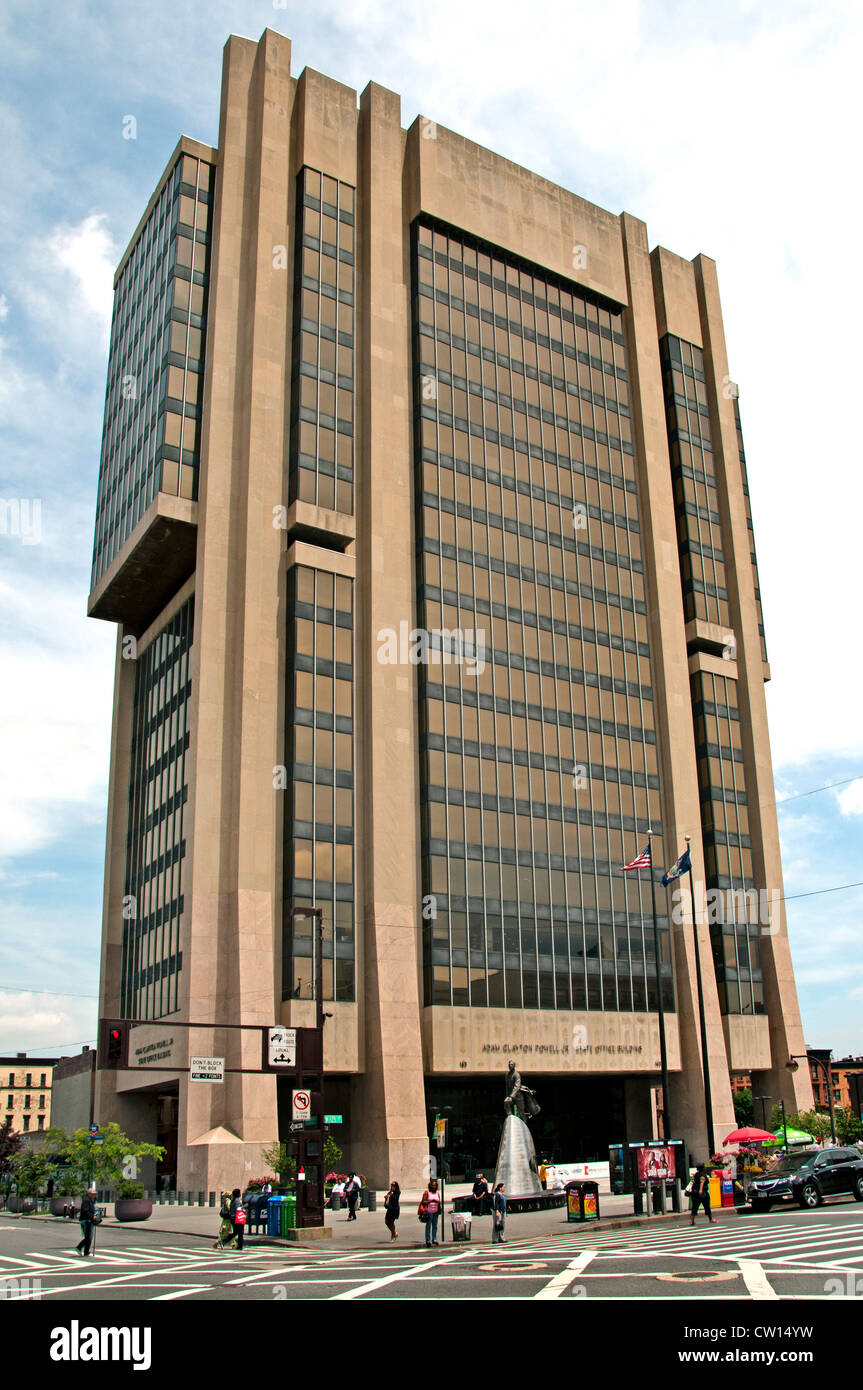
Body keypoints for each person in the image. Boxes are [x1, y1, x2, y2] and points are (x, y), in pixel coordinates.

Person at [75, 1186, 98, 1257]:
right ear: (89, 1194)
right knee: (88, 1236)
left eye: (95, 1194)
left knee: (89, 1236)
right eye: (93, 1194)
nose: (94, 1195)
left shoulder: (90, 1200)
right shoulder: (86, 1200)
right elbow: (85, 1210)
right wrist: (92, 1216)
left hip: (89, 1220)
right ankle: (79, 1247)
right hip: (86, 1220)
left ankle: (85, 1251)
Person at [421, 1178, 442, 1246]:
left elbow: (439, 1201)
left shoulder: (437, 1193)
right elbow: (423, 1201)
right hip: (429, 1211)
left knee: (435, 1226)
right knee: (428, 1225)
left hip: (435, 1211)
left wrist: (437, 1203)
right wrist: (429, 1201)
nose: (434, 1187)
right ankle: (428, 1240)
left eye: (435, 1185)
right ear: (430, 1186)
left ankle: (434, 1239)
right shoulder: (427, 1193)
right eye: (432, 1185)